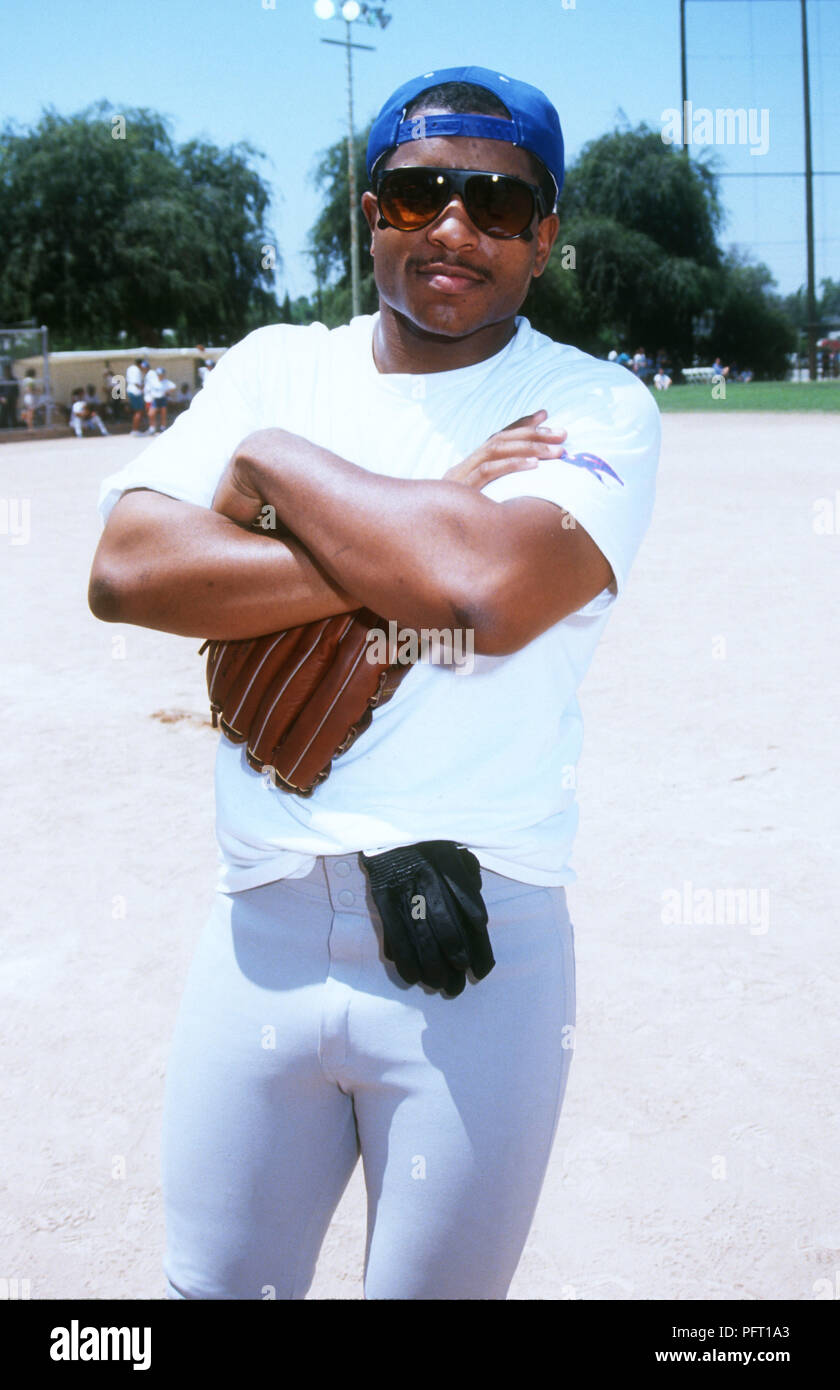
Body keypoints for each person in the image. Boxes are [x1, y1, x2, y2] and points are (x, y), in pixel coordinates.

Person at [88, 65, 660, 1301]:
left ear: (545, 237)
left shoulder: (590, 403)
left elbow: (484, 597)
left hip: (483, 951)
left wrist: (274, 467)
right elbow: (129, 569)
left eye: (498, 205)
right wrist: (438, 512)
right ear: (371, 210)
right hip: (261, 930)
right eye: (419, 193)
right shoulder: (281, 360)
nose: (453, 226)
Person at [126, 359, 147, 436]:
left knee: (137, 411)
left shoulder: (130, 368)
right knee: (138, 411)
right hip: (135, 392)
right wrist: (142, 389)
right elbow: (136, 383)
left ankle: (135, 429)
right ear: (140, 364)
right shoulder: (136, 370)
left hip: (131, 391)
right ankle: (135, 430)